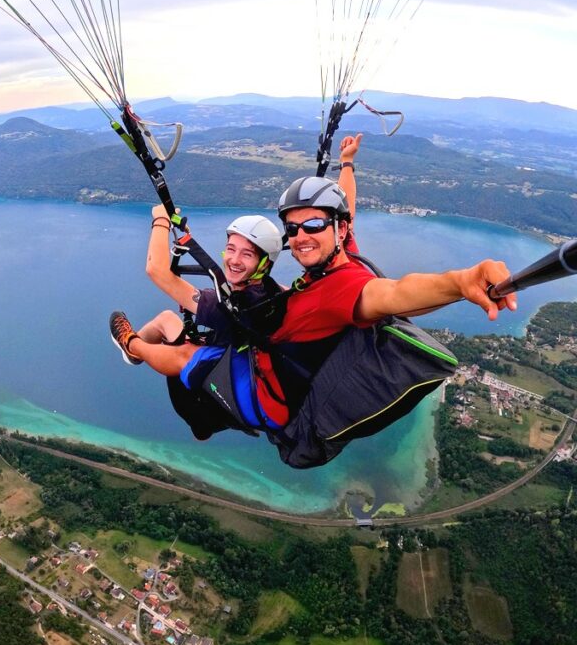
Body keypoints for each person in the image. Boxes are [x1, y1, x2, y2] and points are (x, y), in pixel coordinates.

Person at [108, 136, 365, 436]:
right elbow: (344, 219)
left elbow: (157, 270)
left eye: (246, 253)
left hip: (201, 400)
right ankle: (135, 352)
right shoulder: (274, 293)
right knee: (178, 328)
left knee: (167, 320)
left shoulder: (230, 307)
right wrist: (347, 162)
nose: (233, 259)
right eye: (230, 249)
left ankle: (132, 347)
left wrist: (160, 221)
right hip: (229, 385)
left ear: (262, 262)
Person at [251, 175, 517, 429]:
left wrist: (461, 282)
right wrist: (347, 163)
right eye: (292, 228)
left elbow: (395, 293)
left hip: (265, 393)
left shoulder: (341, 288)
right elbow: (347, 206)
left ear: (339, 230)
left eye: (313, 225)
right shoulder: (342, 253)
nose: (300, 237)